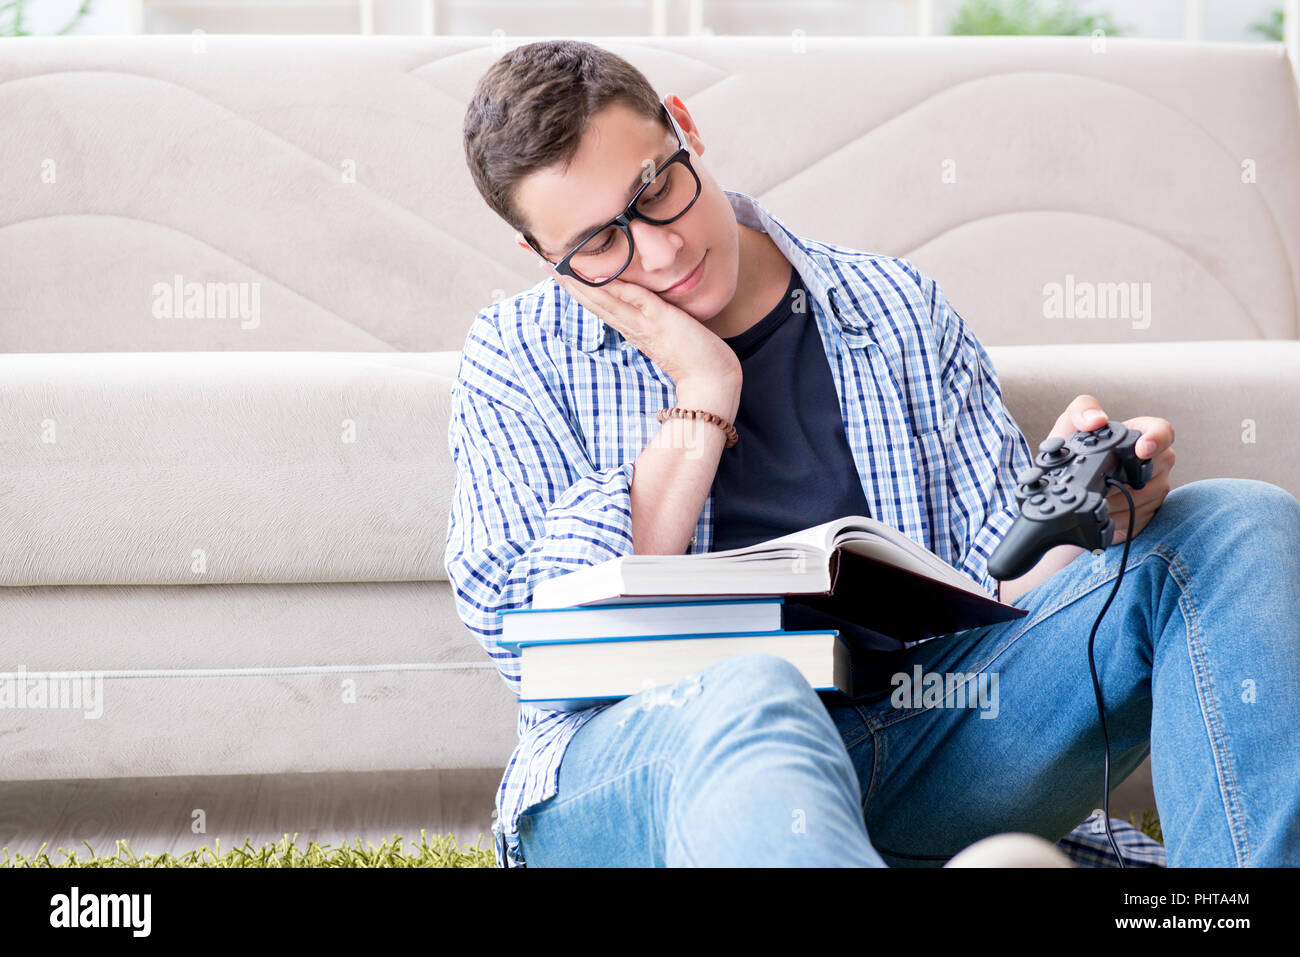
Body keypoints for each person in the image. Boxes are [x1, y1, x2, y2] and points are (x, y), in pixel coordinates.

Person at [446, 39, 1300, 868]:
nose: (661, 249)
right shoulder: (515, 357)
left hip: (921, 737)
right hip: (653, 776)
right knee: (753, 683)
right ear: (544, 259)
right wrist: (704, 392)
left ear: (684, 126)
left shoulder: (892, 307)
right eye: (600, 243)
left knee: (1235, 523)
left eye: (657, 187)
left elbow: (994, 601)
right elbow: (540, 649)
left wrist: (1077, 519)